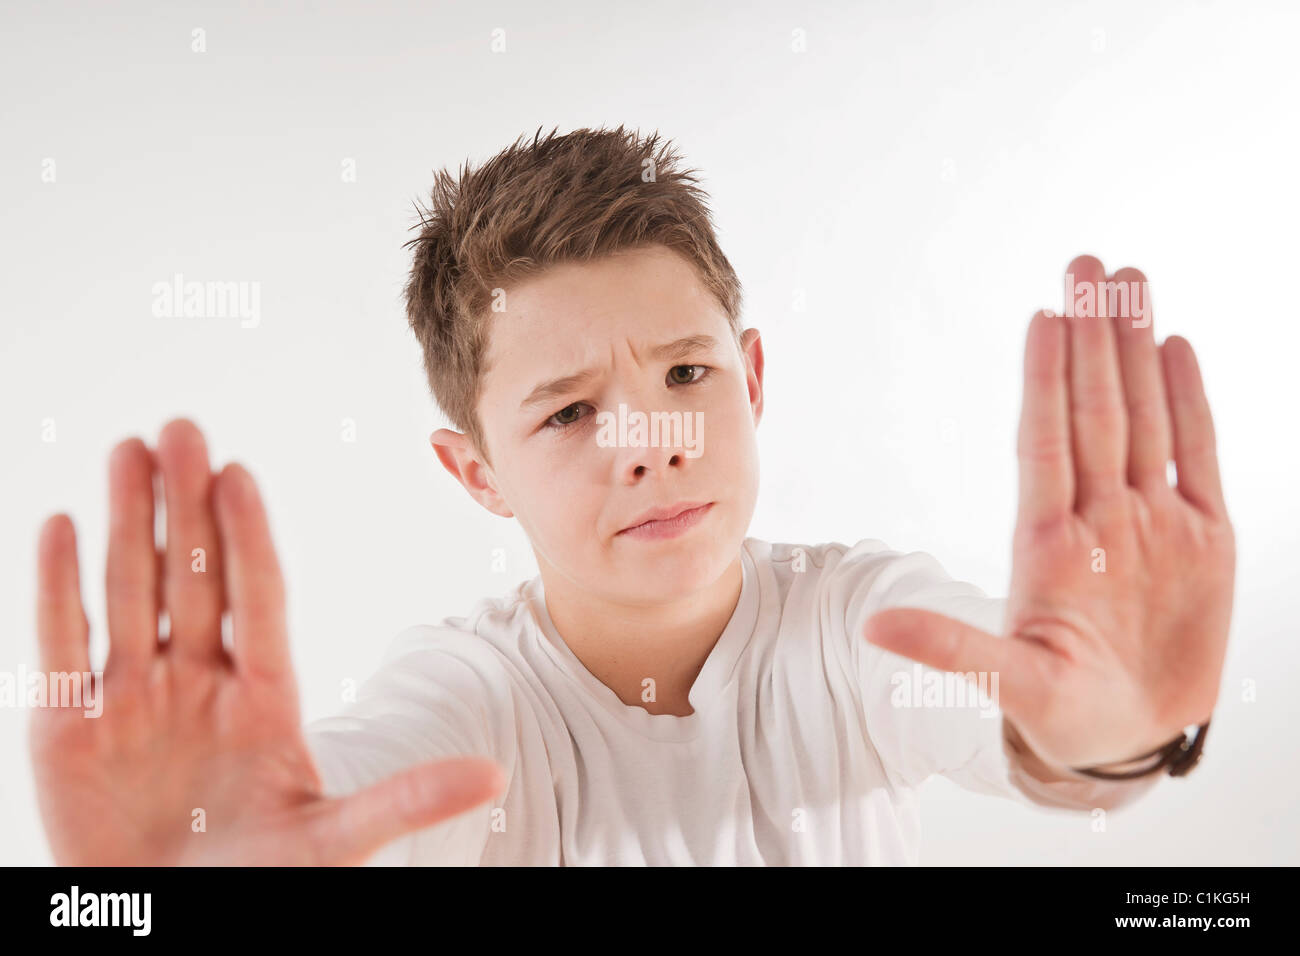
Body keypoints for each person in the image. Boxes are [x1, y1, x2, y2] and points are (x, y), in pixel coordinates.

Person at [30, 126, 1236, 865]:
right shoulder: (473, 695)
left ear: (751, 377)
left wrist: (1119, 730)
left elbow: (1018, 710)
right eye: (566, 413)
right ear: (476, 473)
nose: (650, 441)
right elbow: (354, 778)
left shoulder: (858, 619)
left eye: (685, 373)